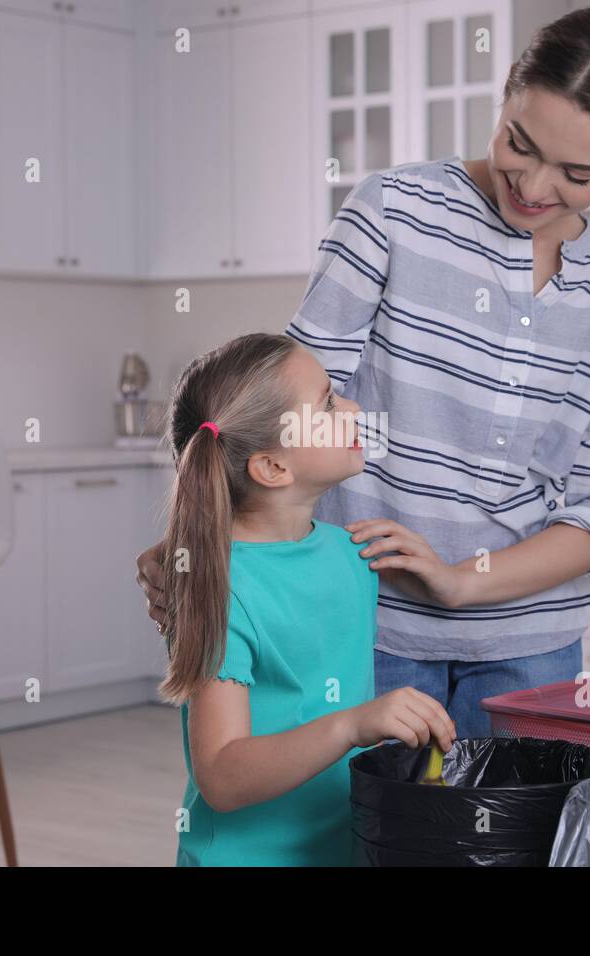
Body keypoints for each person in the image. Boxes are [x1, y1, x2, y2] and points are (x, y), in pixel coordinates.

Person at [140, 7, 590, 739]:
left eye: (579, 175)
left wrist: (462, 582)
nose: (536, 185)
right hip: (363, 621)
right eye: (520, 142)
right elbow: (282, 410)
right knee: (371, 843)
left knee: (511, 848)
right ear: (506, 94)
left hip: (531, 651)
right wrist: (205, 541)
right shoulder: (394, 212)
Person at [158, 332, 455, 866]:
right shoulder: (224, 588)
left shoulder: (353, 555)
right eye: (328, 404)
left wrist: (443, 575)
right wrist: (351, 726)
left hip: (342, 849)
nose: (357, 408)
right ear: (273, 468)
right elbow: (222, 775)